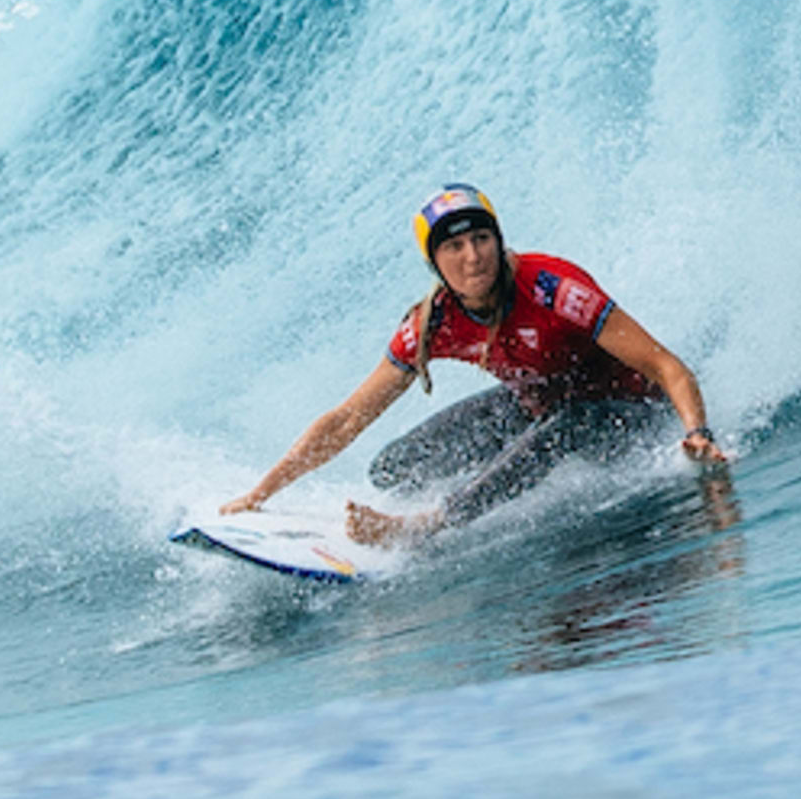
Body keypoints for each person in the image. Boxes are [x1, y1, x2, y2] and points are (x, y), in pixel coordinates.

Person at [223, 184, 725, 548]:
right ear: (434, 262)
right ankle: (425, 503)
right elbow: (349, 418)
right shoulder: (432, 323)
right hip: (538, 404)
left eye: (482, 239)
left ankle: (427, 524)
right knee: (393, 467)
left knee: (565, 425)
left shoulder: (552, 289)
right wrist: (262, 491)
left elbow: (666, 365)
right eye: (454, 246)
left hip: (624, 412)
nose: (473, 257)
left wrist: (698, 432)